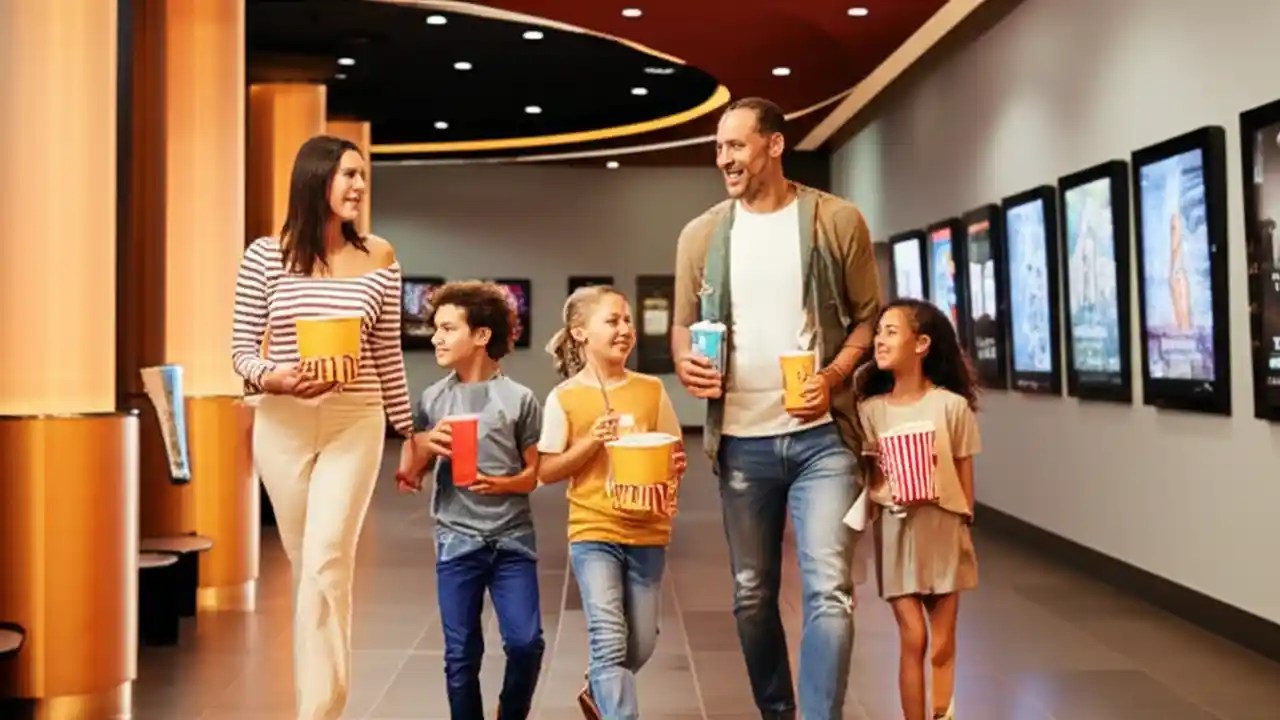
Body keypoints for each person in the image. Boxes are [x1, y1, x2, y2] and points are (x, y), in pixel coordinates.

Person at [670, 97, 882, 720]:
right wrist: (685, 362)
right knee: (752, 595)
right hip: (740, 440)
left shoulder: (835, 221)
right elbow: (682, 328)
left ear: (774, 145)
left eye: (736, 145)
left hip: (822, 440)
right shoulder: (702, 234)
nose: (724, 159)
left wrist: (836, 373)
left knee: (830, 592)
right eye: (718, 148)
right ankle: (777, 712)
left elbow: (867, 318)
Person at [231, 134, 415, 719]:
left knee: (329, 557)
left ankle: (319, 711)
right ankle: (320, 700)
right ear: (315, 180)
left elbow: (387, 353)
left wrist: (409, 434)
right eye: (347, 175)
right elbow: (239, 351)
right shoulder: (265, 255)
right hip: (282, 422)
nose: (359, 186)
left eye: (362, 175)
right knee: (308, 564)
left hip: (353, 422)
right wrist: (275, 378)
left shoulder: (381, 256)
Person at [537, 285, 688, 720]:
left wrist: (673, 464)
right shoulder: (564, 397)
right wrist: (590, 442)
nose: (624, 329)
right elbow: (547, 471)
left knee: (640, 643)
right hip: (593, 529)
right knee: (609, 636)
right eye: (612, 321)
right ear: (580, 333)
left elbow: (674, 453)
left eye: (627, 320)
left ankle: (597, 687)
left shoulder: (650, 390)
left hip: (647, 530)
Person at [396, 280, 546, 720]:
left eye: (447, 328)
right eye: (435, 329)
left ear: (481, 335)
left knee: (525, 642)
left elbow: (534, 474)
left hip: (513, 541)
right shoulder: (432, 399)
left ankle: (511, 711)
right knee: (461, 655)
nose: (437, 338)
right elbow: (409, 473)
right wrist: (425, 445)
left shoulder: (520, 401)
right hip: (456, 541)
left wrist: (506, 485)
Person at [851, 299, 980, 720]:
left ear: (922, 344)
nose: (880, 340)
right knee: (913, 637)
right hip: (897, 537)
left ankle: (943, 714)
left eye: (891, 331)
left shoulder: (951, 407)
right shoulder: (869, 412)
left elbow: (965, 484)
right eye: (879, 332)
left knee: (942, 643)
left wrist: (962, 526)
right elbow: (868, 478)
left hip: (943, 536)